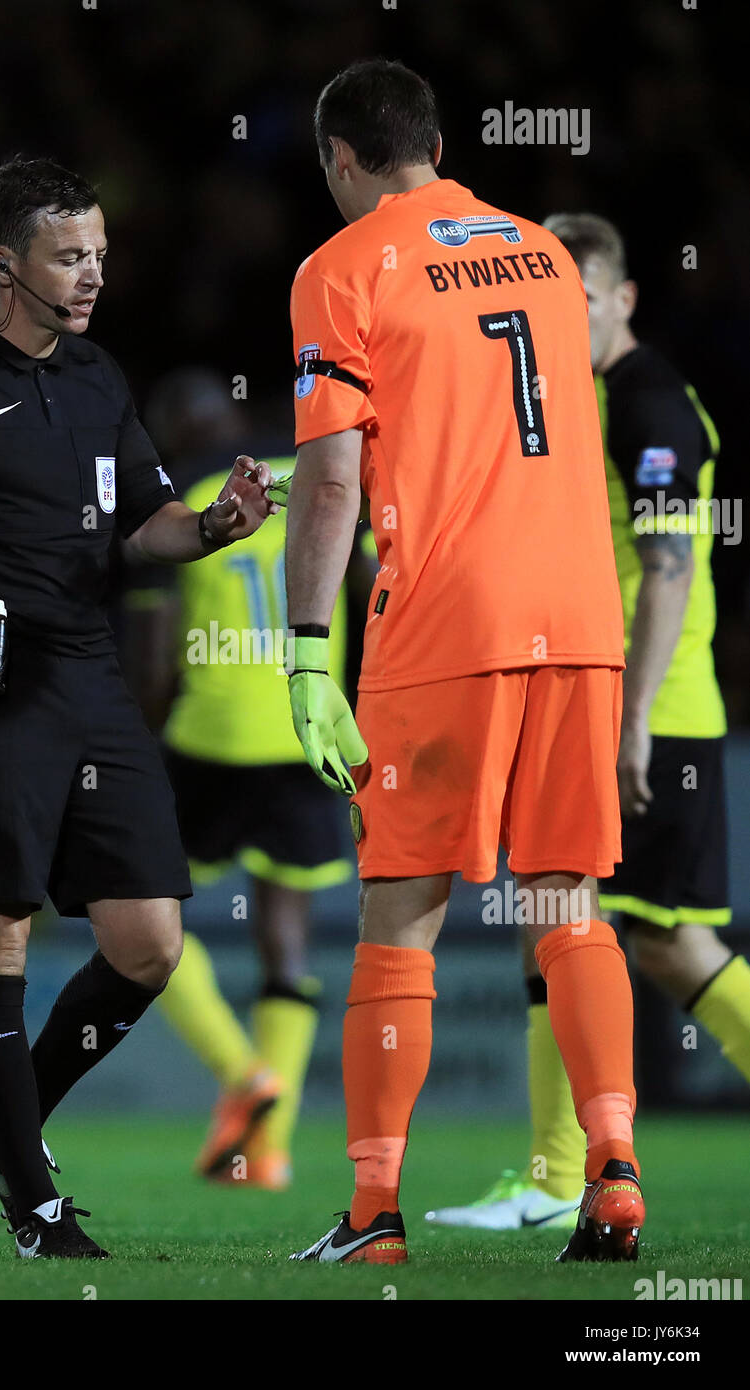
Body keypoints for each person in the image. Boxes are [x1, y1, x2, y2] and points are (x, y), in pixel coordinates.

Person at [0, 156, 276, 1260]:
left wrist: (215, 525)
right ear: (3, 263)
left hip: (90, 675)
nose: (92, 276)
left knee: (151, 942)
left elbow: (146, 524)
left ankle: (0, 1127)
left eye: (101, 256)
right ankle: (36, 1203)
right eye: (69, 256)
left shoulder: (94, 377)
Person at [281, 60, 642, 1265]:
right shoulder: (543, 253)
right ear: (435, 140)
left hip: (448, 619)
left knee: (403, 919)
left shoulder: (341, 267)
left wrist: (305, 651)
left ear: (341, 158)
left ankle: (374, 1211)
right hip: (583, 613)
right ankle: (613, 1170)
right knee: (567, 907)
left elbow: (333, 475)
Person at [426, 213, 745, 1232]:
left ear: (622, 298)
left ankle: (561, 1174)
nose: (561, 317)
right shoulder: (592, 398)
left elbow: (669, 565)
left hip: (645, 709)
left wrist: (636, 718)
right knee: (635, 938)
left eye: (581, 298)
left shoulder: (647, 400)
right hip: (613, 701)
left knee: (589, 924)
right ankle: (560, 1173)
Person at [119, 372, 366, 1188]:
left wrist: (138, 740)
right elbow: (369, 592)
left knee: (135, 905)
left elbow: (155, 655)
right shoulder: (309, 488)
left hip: (210, 741)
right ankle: (270, 1149)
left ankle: (240, 1072)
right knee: (285, 937)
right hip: (302, 734)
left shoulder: (184, 505)